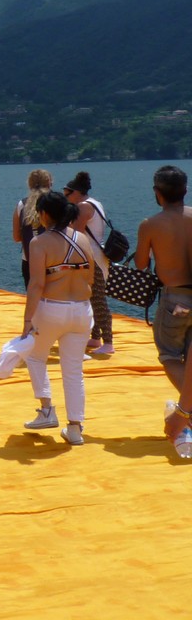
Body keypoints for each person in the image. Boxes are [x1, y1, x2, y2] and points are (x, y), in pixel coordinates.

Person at [19, 191, 103, 446]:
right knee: (73, 371)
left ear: (45, 214)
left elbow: (36, 285)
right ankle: (75, 428)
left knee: (34, 355)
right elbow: (90, 277)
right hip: (81, 310)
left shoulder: (40, 243)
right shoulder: (82, 239)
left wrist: (26, 321)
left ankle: (46, 409)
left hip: (52, 309)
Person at [134, 166, 192, 449]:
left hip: (175, 299)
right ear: (185, 190)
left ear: (158, 193)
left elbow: (142, 264)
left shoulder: (150, 224)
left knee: (169, 354)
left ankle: (188, 410)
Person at [64, 171, 114, 355]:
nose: (67, 199)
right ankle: (95, 337)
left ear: (76, 192)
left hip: (91, 258)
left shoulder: (83, 207)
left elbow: (75, 234)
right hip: (97, 257)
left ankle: (108, 342)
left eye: (68, 195)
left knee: (98, 300)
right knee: (91, 298)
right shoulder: (95, 203)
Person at [13, 169, 53, 287]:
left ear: (29, 184)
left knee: (35, 299)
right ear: (49, 183)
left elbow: (16, 237)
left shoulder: (21, 204)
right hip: (54, 261)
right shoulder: (56, 202)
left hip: (29, 261)